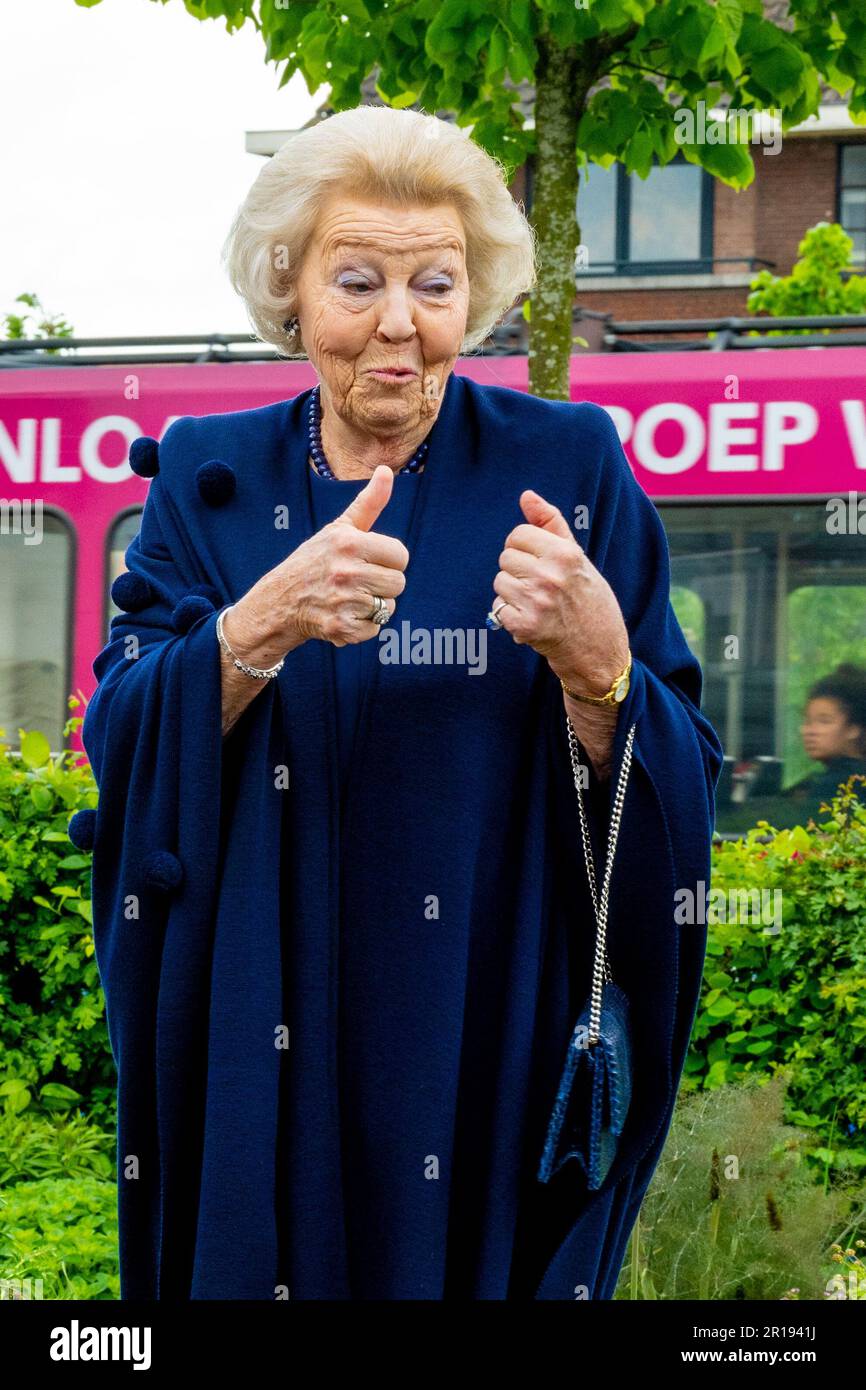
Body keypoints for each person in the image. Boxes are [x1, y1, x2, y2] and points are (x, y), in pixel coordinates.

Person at [72, 105, 723, 1301]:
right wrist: (256, 625)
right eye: (356, 279)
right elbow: (117, 744)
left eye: (434, 283)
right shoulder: (210, 479)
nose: (396, 324)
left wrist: (600, 670)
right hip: (263, 1008)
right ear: (290, 291)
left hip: (486, 1009)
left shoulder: (570, 463)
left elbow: (681, 767)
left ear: (470, 298)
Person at [788, 664, 866, 821]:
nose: (809, 731)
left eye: (824, 721)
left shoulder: (837, 785)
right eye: (807, 721)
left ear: (854, 728)